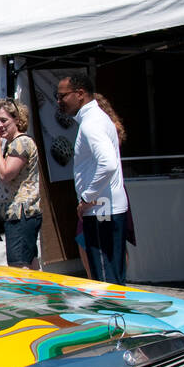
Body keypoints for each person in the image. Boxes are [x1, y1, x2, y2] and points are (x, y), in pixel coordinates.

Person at [57, 73, 128, 284]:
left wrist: (87, 198)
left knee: (106, 280)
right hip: (106, 207)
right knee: (112, 275)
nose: (59, 102)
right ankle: (117, 314)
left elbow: (108, 163)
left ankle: (112, 316)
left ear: (79, 94)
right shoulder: (96, 118)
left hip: (100, 209)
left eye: (62, 96)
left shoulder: (92, 123)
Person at [0, 100, 41, 268]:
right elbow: (14, 177)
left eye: (4, 120)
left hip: (21, 214)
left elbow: (6, 174)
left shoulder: (21, 143)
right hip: (20, 214)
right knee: (30, 261)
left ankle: (27, 294)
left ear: (17, 120)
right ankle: (37, 293)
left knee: (19, 266)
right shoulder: (13, 143)